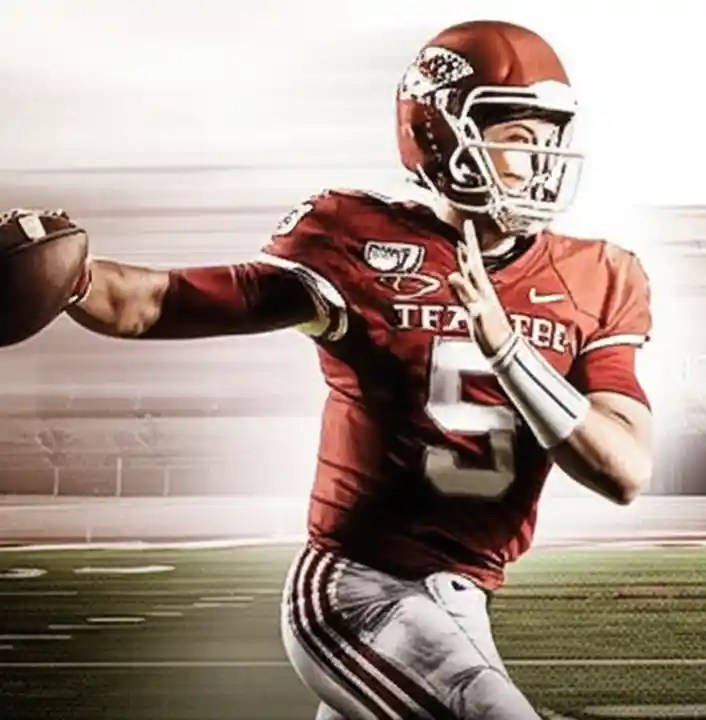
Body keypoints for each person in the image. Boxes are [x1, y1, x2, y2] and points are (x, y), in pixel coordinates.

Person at [56, 19, 654, 719]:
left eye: (549, 139)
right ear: (442, 134)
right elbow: (155, 301)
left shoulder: (601, 275)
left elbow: (624, 470)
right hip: (356, 588)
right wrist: (67, 278)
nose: (542, 161)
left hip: (462, 596)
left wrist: (508, 352)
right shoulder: (358, 240)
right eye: (519, 139)